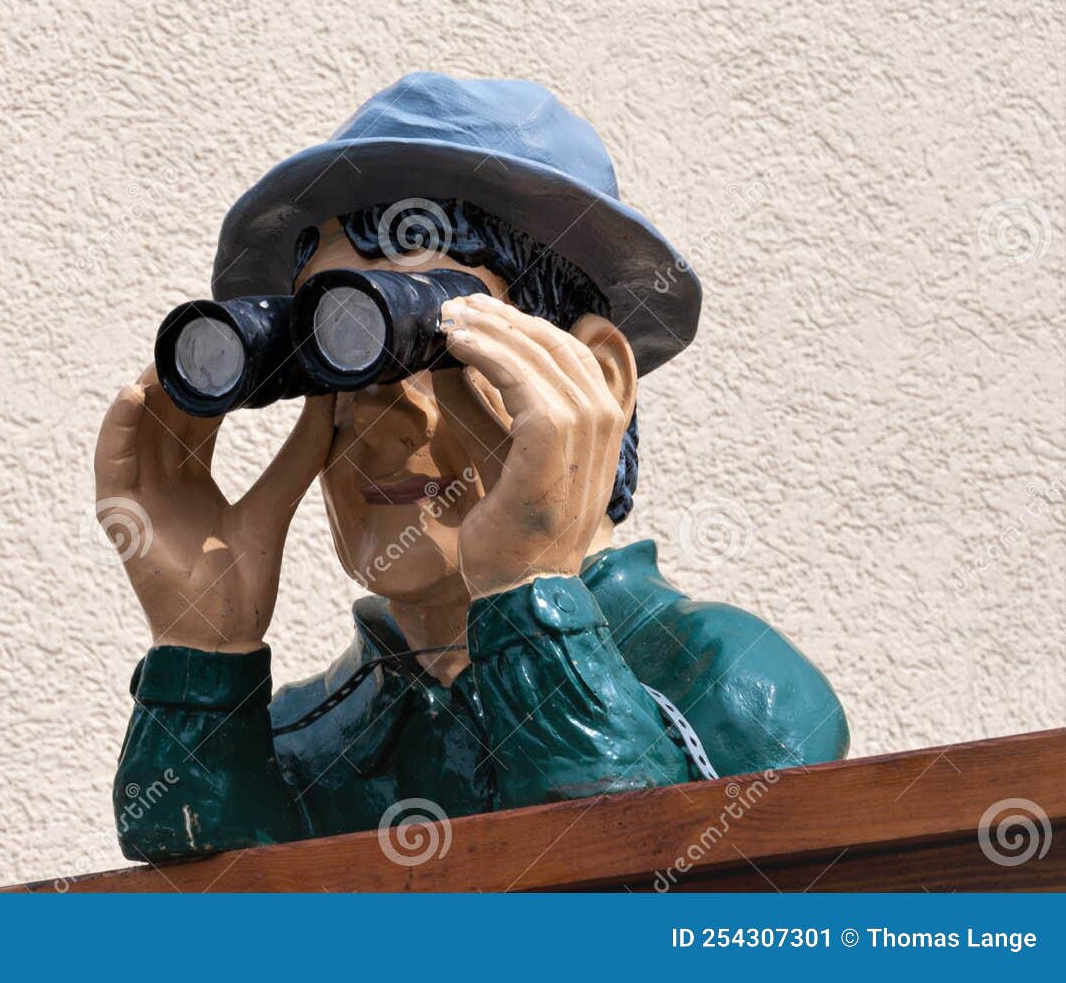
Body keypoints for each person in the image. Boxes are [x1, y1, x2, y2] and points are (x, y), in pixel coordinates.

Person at [95, 73, 848, 861]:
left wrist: (529, 599)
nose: (384, 419)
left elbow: (635, 914)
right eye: (331, 363)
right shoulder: (290, 741)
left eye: (437, 348)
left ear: (598, 380)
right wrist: (204, 654)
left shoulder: (735, 687)